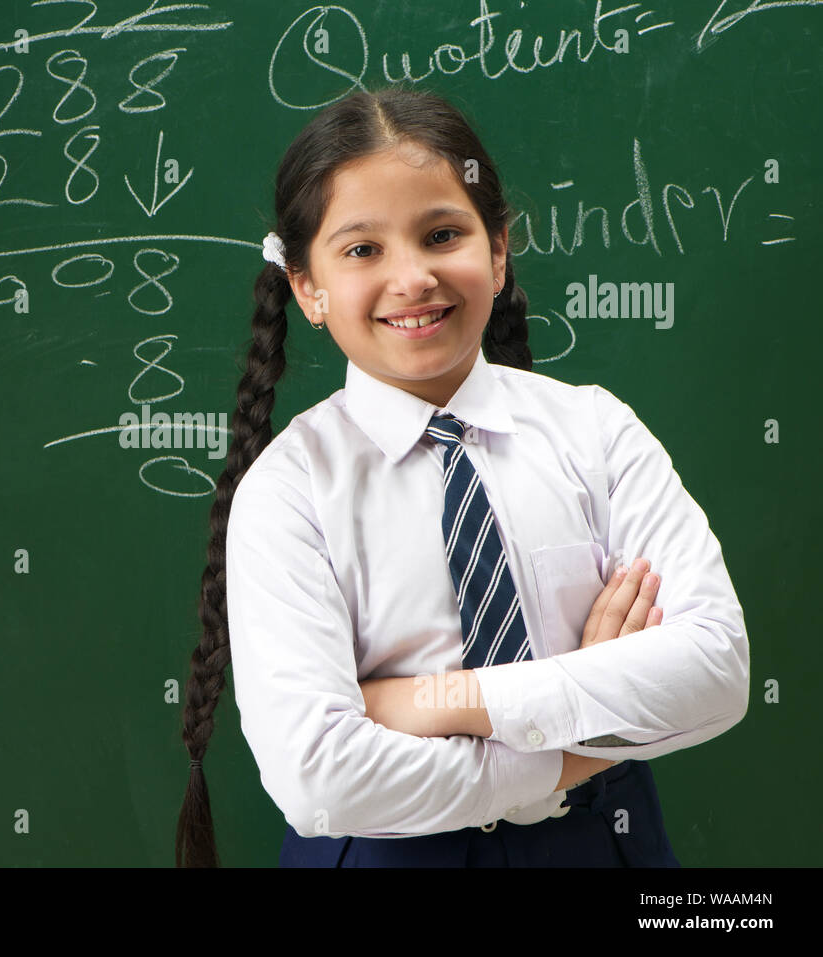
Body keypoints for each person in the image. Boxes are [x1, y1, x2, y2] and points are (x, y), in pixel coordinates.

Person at [174, 85, 749, 868]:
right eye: (361, 250)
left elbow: (715, 669)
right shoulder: (289, 491)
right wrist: (581, 728)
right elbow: (322, 777)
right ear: (307, 287)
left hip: (605, 844)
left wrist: (431, 703)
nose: (411, 278)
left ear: (498, 248)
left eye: (442, 233)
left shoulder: (594, 430)